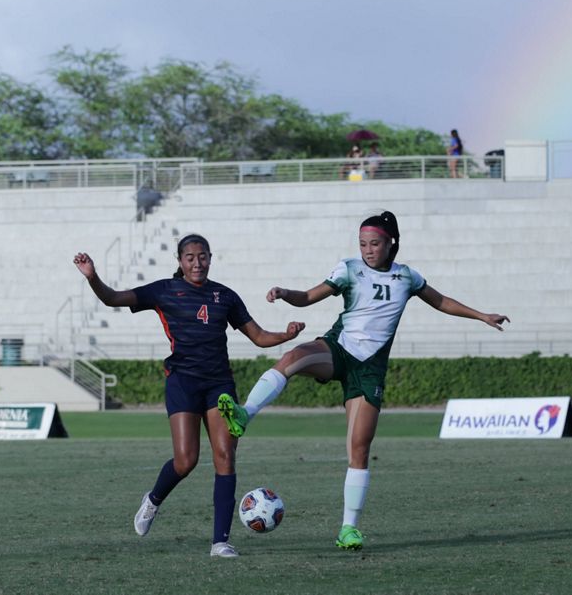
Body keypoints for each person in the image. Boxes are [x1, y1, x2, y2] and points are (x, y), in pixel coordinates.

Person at [217, 211, 509, 550]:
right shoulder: (349, 269)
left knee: (359, 448)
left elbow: (441, 301)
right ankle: (244, 413)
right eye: (363, 244)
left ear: (391, 243)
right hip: (338, 349)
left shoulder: (407, 277)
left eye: (375, 243)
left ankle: (348, 529)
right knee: (292, 358)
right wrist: (284, 292)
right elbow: (309, 296)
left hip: (370, 370)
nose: (368, 250)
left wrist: (481, 315)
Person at [73, 235, 304, 558]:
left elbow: (259, 336)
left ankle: (220, 542)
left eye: (203, 257)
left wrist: (286, 335)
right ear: (180, 261)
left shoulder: (225, 296)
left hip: (219, 385)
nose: (197, 263)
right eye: (190, 257)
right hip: (182, 382)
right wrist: (93, 277)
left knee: (225, 456)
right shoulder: (164, 290)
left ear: (211, 258)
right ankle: (153, 500)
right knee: (186, 461)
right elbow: (112, 298)